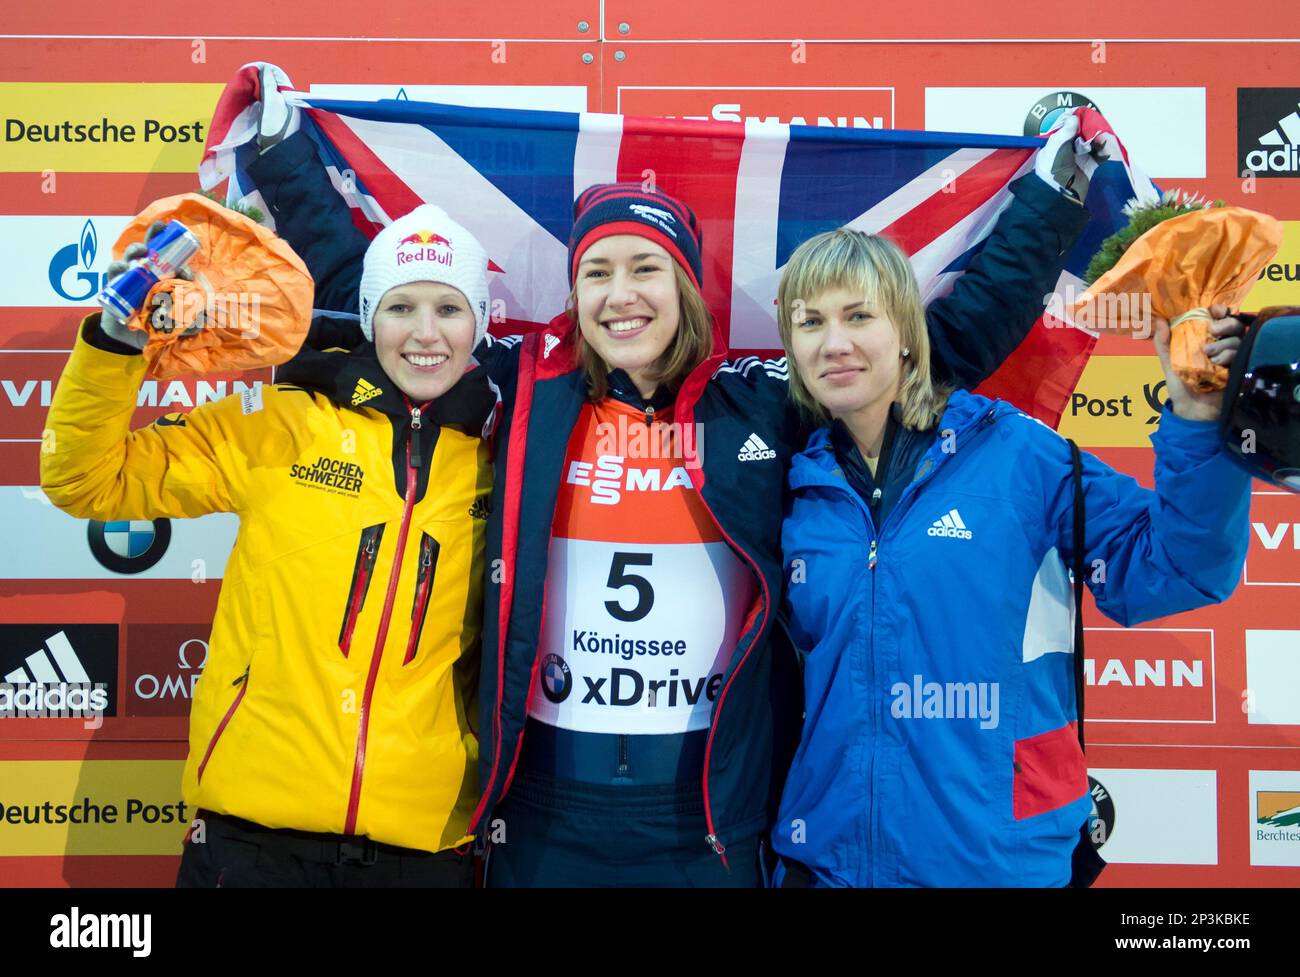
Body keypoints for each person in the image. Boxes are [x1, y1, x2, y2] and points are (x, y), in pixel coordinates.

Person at [255, 111, 1102, 884]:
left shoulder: (761, 396)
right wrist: (280, 151)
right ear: (574, 292)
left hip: (706, 814)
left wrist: (1052, 199)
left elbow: (931, 351)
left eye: (645, 268)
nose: (621, 294)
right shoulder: (525, 389)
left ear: (687, 283)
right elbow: (388, 320)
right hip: (545, 812)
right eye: (596, 271)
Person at [769, 229, 1253, 887]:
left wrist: (1197, 417)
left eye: (859, 316)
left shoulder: (1018, 455)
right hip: (826, 864)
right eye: (810, 322)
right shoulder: (793, 489)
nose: (834, 342)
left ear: (907, 331)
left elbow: (1172, 567)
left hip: (995, 865)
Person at [40, 204, 500, 887]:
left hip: (423, 854)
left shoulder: (505, 461)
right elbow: (87, 480)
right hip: (252, 848)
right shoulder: (285, 424)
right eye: (401, 307)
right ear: (370, 316)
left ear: (481, 325)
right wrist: (116, 344)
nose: (425, 334)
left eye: (450, 309)